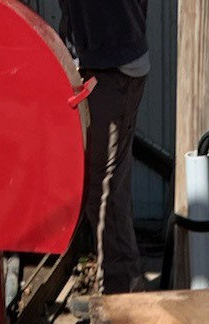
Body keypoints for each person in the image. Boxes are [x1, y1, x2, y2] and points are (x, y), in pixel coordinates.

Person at [59, 0, 150, 296]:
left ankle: (121, 297)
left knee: (103, 191)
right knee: (110, 186)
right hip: (108, 63)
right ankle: (122, 285)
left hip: (112, 69)